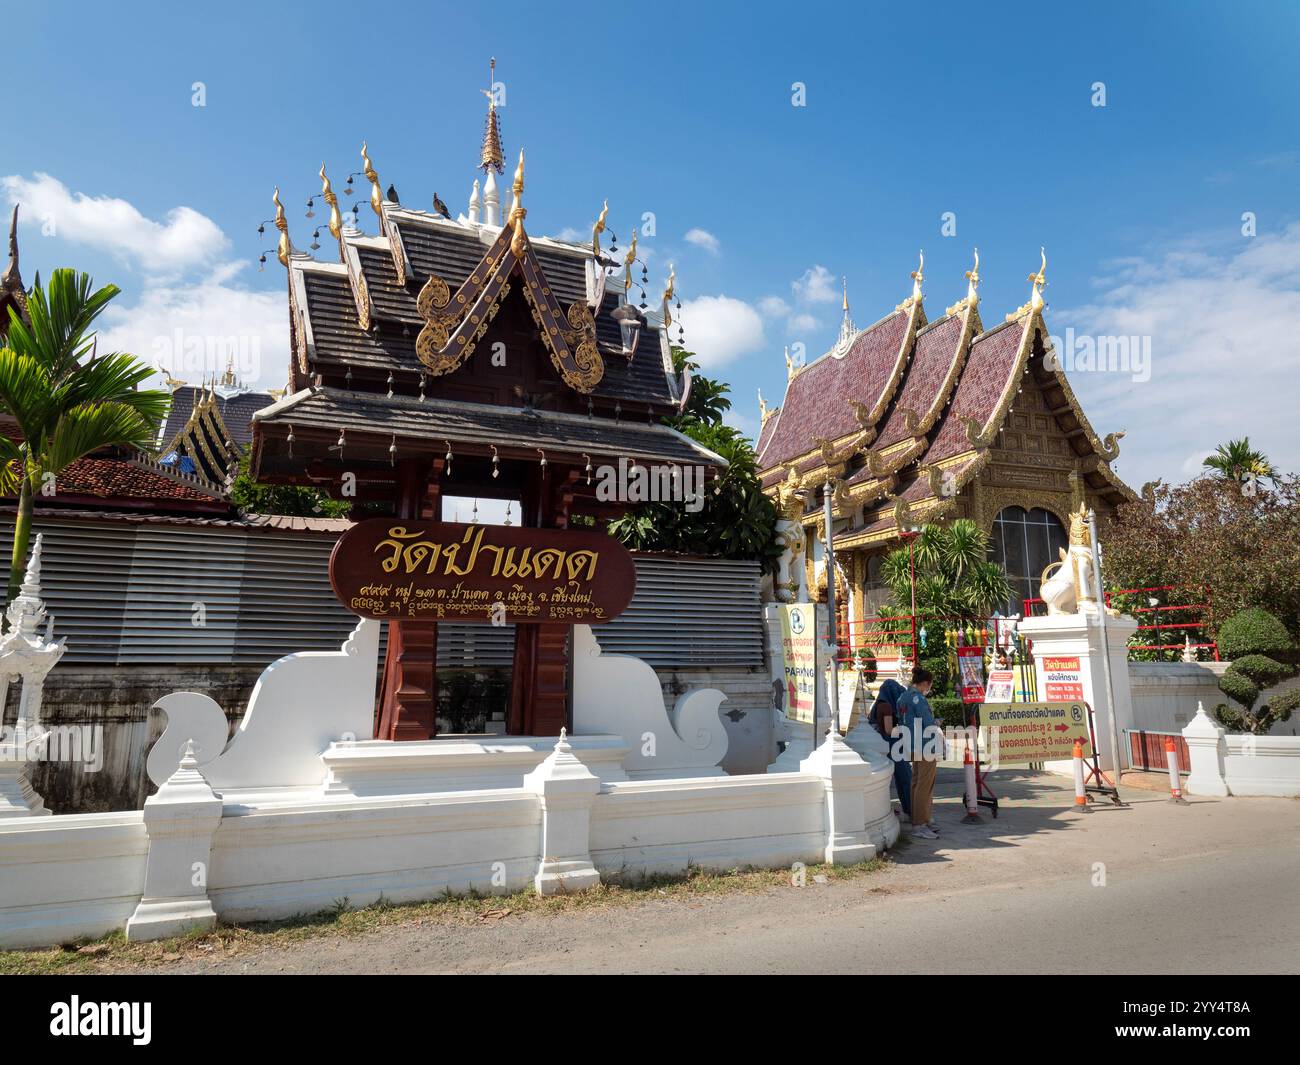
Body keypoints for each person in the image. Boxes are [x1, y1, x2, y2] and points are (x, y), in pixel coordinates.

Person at [898, 667, 941, 839]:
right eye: (929, 685)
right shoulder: (919, 699)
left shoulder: (902, 697)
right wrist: (937, 722)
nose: (928, 688)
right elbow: (929, 723)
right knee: (925, 785)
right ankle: (921, 823)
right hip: (925, 745)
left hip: (910, 744)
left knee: (916, 783)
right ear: (924, 683)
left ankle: (919, 819)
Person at [868, 679, 910, 821]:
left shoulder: (879, 704)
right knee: (905, 777)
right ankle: (910, 808)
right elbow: (888, 730)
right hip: (892, 746)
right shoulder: (886, 707)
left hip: (883, 747)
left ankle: (907, 808)